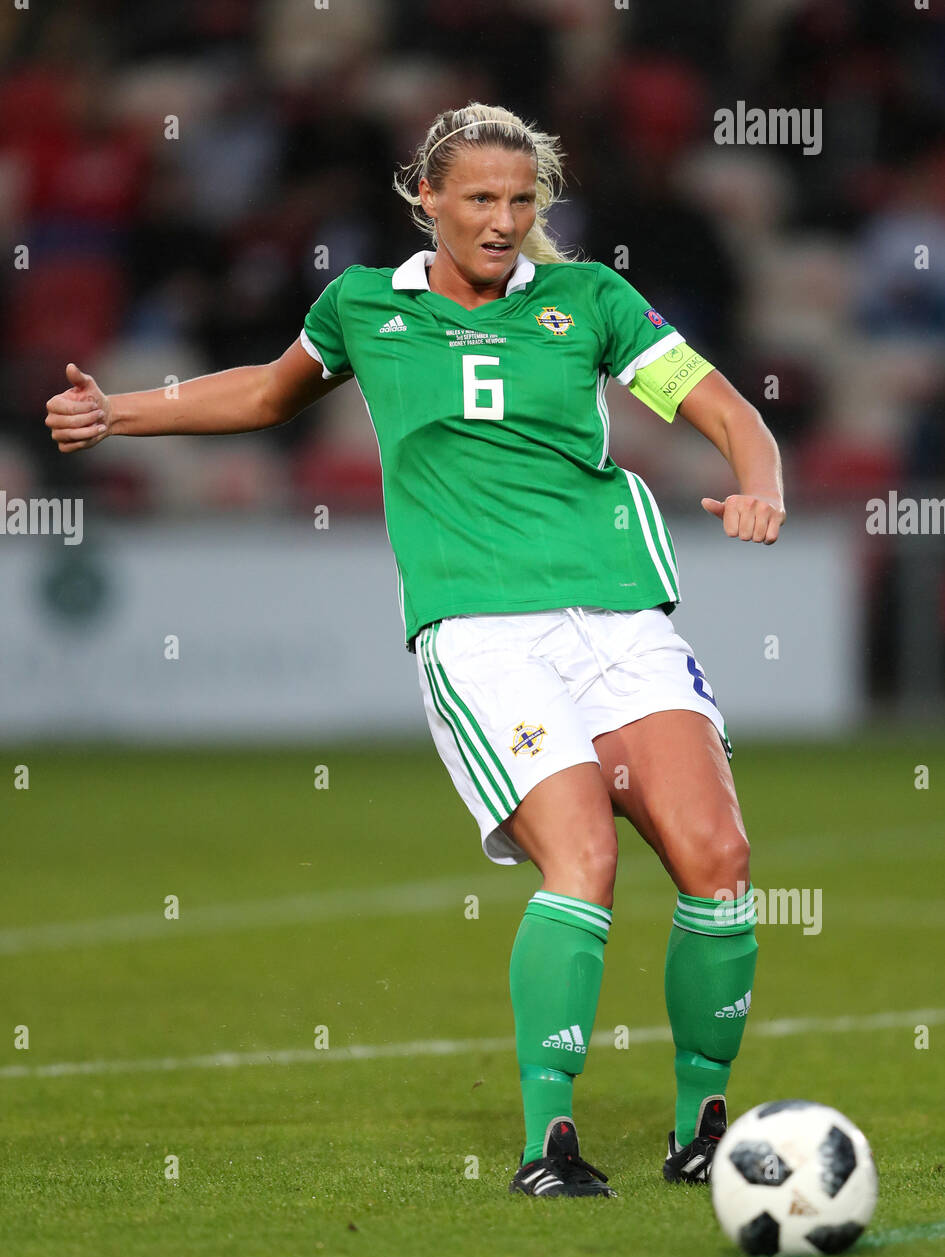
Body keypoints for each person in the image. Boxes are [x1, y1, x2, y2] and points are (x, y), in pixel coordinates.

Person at [45, 103, 785, 1199]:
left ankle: (703, 1127)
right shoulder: (363, 307)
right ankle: (551, 1142)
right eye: (479, 199)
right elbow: (262, 391)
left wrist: (762, 480)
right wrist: (121, 415)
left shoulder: (589, 301)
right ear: (426, 198)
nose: (502, 220)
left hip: (622, 617)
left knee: (718, 859)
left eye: (522, 200)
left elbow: (726, 407)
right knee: (584, 857)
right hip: (483, 633)